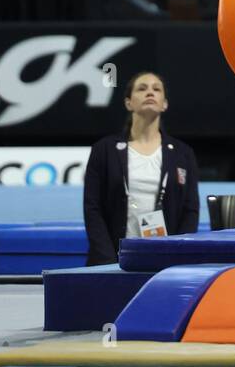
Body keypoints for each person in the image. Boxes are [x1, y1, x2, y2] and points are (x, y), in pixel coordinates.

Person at [83, 71, 200, 265]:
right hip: (112, 261)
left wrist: (177, 256)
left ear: (164, 104)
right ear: (128, 103)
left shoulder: (183, 154)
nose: (150, 93)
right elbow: (92, 209)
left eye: (156, 89)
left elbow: (190, 211)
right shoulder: (104, 150)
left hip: (164, 262)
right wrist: (108, 262)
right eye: (142, 88)